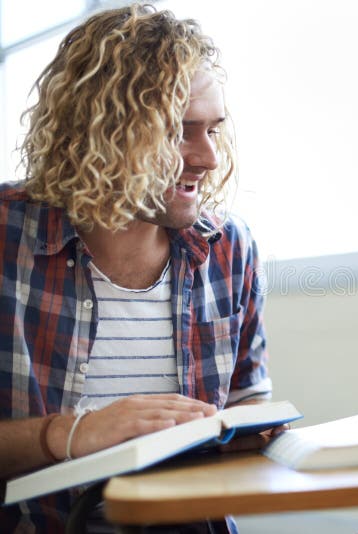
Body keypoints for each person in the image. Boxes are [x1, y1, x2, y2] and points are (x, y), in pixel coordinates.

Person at [0, 5, 273, 532]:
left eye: (214, 130)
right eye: (179, 132)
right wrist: (72, 434)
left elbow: (247, 401)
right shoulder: (7, 235)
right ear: (99, 133)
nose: (210, 158)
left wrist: (264, 430)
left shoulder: (228, 248)